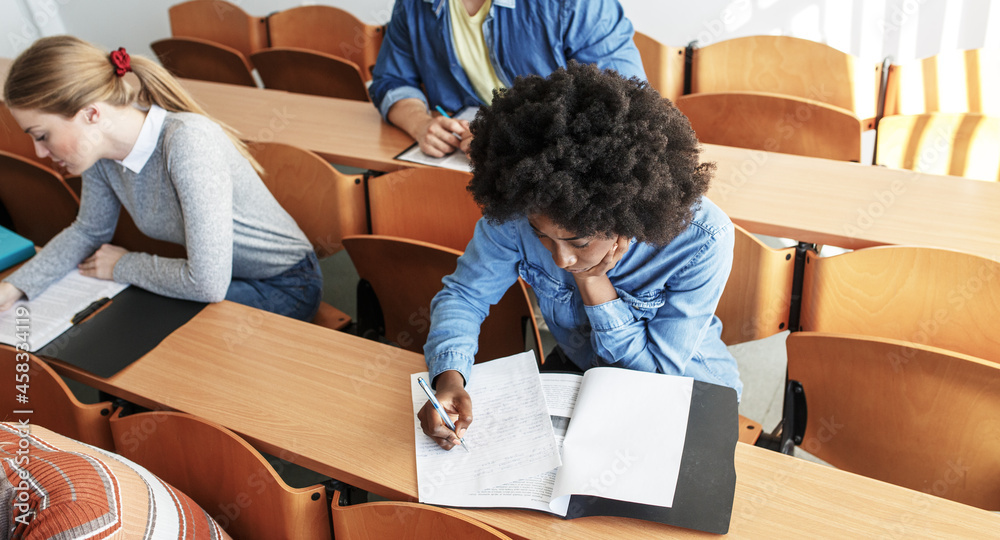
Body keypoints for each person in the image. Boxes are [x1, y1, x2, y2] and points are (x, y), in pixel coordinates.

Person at [417, 62, 743, 450]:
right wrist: (449, 376)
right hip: (579, 372)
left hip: (683, 390)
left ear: (626, 219)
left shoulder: (703, 240)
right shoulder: (523, 207)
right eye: (543, 237)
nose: (561, 260)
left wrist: (592, 281)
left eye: (579, 242)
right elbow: (465, 296)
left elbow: (655, 377)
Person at [0, 36, 322, 321]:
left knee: (143, 332)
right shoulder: (99, 156)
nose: (40, 152)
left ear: (91, 114)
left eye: (42, 135)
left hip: (285, 284)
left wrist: (123, 265)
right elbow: (88, 231)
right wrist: (15, 286)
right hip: (221, 280)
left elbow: (207, 283)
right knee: (126, 325)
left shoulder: (188, 142)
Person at [369, 0, 646, 158]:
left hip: (563, 168)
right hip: (461, 164)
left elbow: (623, 102)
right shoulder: (413, 4)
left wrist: (505, 133)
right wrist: (420, 124)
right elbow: (390, 80)